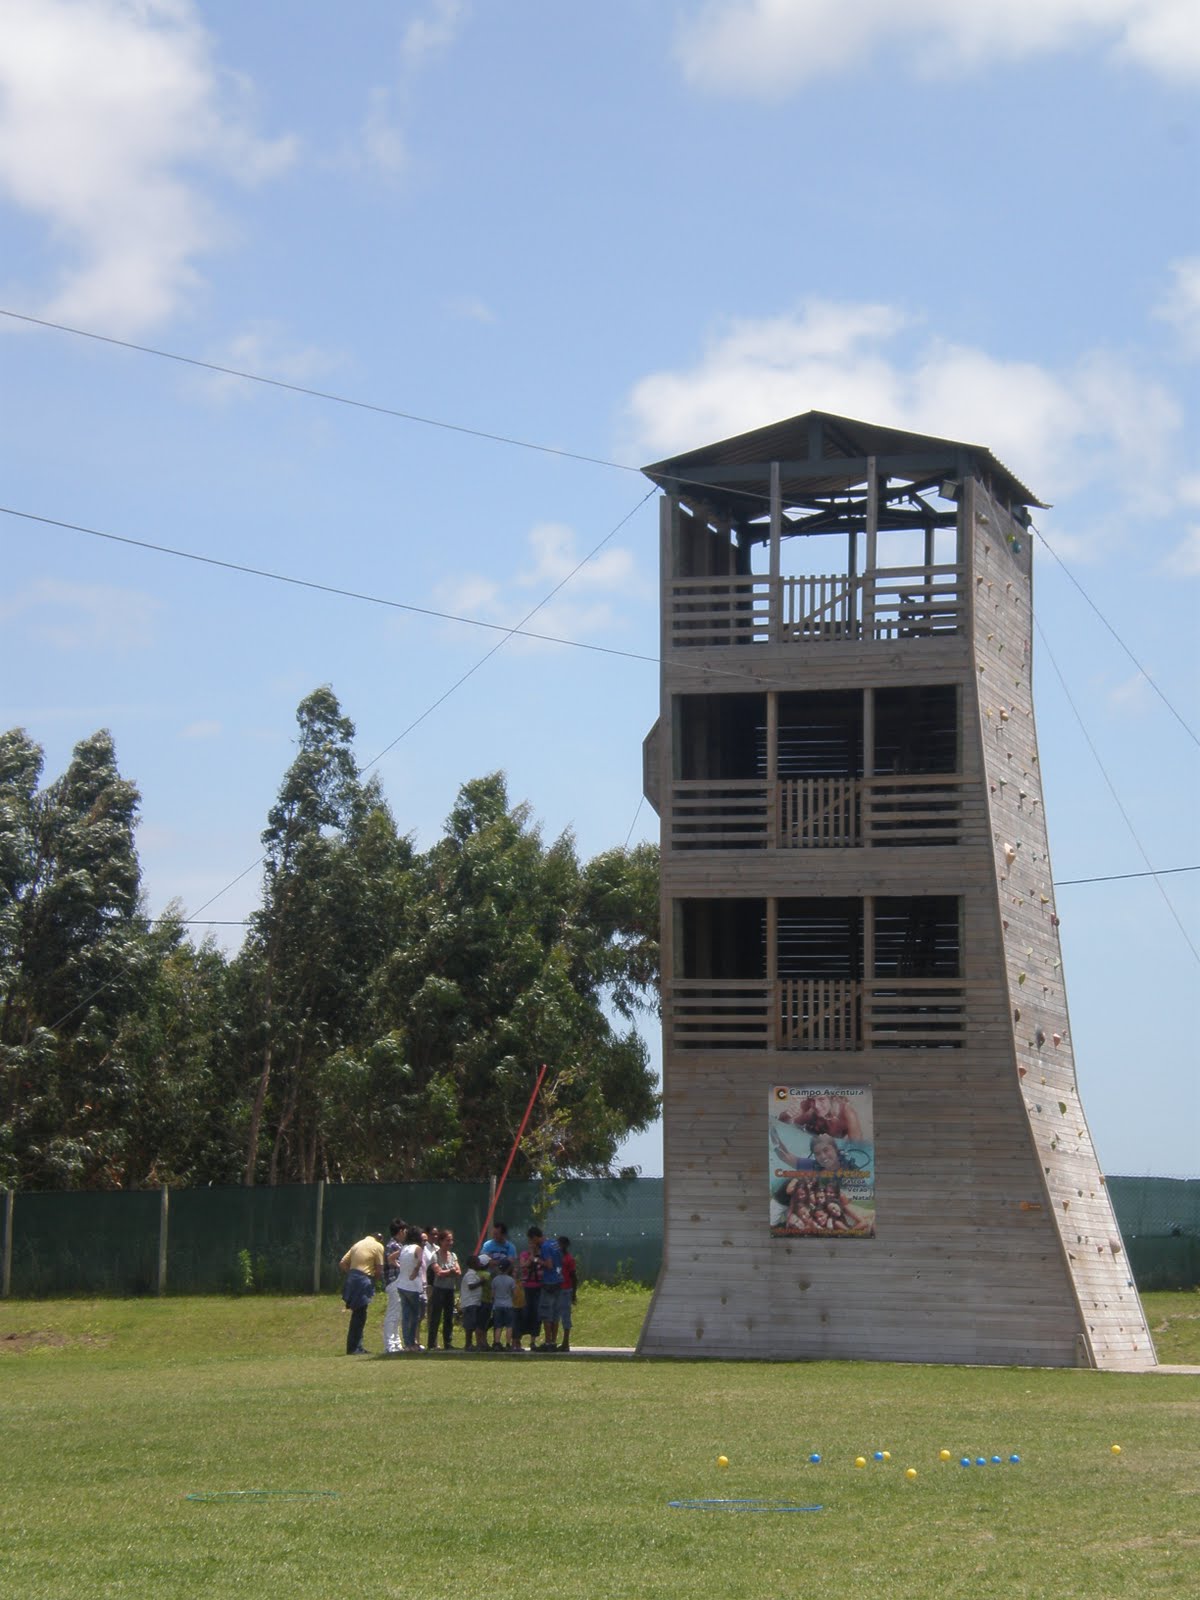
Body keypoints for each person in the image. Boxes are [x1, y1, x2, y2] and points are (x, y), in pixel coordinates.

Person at [338, 1230, 385, 1355]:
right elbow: (379, 1269)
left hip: (352, 1278)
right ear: (379, 1239)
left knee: (357, 1314)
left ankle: (354, 1346)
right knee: (360, 1315)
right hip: (364, 1279)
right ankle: (355, 1348)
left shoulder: (358, 1244)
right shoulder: (378, 1246)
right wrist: (373, 1281)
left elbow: (342, 1263)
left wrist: (353, 1274)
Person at [530, 1227, 564, 1351]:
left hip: (549, 1282)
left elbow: (549, 1265)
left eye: (532, 1240)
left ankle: (548, 1342)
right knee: (555, 1314)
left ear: (534, 1237)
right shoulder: (554, 1243)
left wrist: (535, 1259)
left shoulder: (544, 1246)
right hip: (559, 1281)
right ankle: (554, 1342)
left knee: (546, 1314)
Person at [427, 1229, 461, 1350]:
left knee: (448, 1317)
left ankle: (448, 1342)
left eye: (451, 1240)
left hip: (450, 1290)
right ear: (441, 1241)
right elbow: (439, 1272)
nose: (450, 1242)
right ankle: (431, 1343)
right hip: (439, 1290)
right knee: (436, 1317)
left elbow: (458, 1271)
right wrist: (450, 1272)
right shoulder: (435, 1256)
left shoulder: (453, 1256)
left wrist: (449, 1272)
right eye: (447, 1240)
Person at [394, 1225, 426, 1351]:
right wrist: (414, 1271)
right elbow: (419, 1261)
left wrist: (401, 1268)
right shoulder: (417, 1248)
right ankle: (412, 1343)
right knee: (415, 1316)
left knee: (406, 1315)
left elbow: (391, 1258)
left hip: (402, 1284)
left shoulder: (404, 1248)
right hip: (413, 1286)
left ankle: (407, 1344)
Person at [381, 1216, 408, 1355]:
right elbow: (391, 1260)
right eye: (405, 1231)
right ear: (401, 1231)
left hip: (400, 1282)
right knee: (393, 1314)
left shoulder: (399, 1246)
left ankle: (397, 1344)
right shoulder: (393, 1245)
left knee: (398, 1314)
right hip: (394, 1281)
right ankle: (390, 1344)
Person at [514, 1232, 542, 1353]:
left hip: (538, 1287)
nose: (532, 1245)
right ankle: (518, 1339)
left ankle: (533, 1341)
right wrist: (531, 1255)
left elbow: (542, 1265)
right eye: (530, 1244)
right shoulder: (524, 1255)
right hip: (526, 1287)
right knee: (523, 1313)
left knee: (536, 1314)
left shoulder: (541, 1255)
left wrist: (536, 1256)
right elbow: (523, 1265)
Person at [459, 1255, 487, 1350]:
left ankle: (470, 1344)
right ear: (473, 1264)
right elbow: (471, 1286)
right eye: (478, 1262)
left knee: (473, 1323)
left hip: (474, 1302)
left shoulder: (474, 1274)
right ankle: (468, 1344)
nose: (480, 1264)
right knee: (470, 1324)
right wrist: (481, 1282)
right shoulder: (470, 1274)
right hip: (470, 1303)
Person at [489, 1256, 517, 1350]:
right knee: (509, 1326)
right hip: (508, 1304)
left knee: (498, 1326)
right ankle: (508, 1344)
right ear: (509, 1268)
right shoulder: (511, 1280)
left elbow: (492, 1294)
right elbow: (514, 1293)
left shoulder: (495, 1280)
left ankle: (496, 1343)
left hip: (497, 1305)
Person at [556, 1235, 577, 1354]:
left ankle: (566, 1342)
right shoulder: (556, 1258)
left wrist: (573, 1293)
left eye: (559, 1244)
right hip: (556, 1289)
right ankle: (553, 1341)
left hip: (565, 1289)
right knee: (554, 1316)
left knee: (565, 1316)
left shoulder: (569, 1259)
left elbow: (573, 1276)